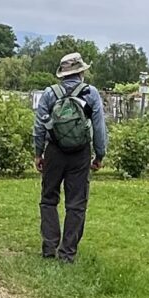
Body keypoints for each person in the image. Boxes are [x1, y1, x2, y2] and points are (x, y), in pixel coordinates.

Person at [32, 51, 108, 260]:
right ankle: (67, 252)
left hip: (54, 150)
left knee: (48, 199)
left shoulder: (49, 93)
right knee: (76, 203)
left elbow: (39, 126)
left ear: (62, 74)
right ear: (81, 72)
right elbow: (100, 127)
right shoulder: (90, 93)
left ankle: (49, 248)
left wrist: (39, 153)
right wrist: (99, 154)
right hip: (80, 153)